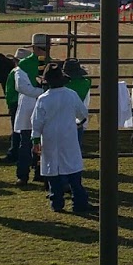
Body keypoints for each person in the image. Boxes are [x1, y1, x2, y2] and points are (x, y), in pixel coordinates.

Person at [35, 63, 91, 215]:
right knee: (73, 169)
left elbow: (37, 122)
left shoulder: (42, 99)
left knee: (52, 170)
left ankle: (56, 202)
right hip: (68, 136)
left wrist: (35, 140)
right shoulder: (71, 94)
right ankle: (79, 202)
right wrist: (78, 123)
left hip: (49, 138)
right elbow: (82, 113)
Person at [7, 34, 50, 185]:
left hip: (32, 104)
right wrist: (44, 93)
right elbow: (22, 87)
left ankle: (34, 173)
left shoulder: (24, 65)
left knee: (32, 142)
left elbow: (23, 87)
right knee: (29, 142)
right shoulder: (27, 65)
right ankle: (28, 174)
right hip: (39, 105)